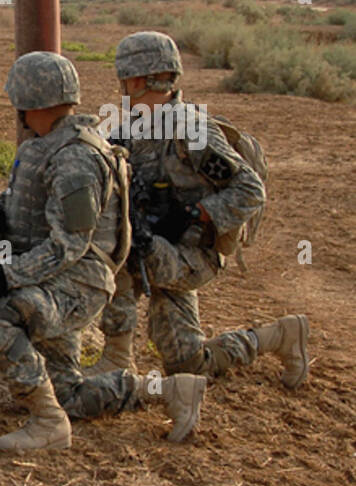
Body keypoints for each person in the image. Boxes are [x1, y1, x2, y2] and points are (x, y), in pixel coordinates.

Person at [0, 51, 206, 450]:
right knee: (69, 392)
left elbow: (70, 243)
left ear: (33, 102)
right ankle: (168, 390)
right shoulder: (50, 146)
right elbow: (42, 209)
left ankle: (48, 424)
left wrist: (8, 276)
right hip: (59, 277)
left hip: (77, 282)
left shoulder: (76, 157)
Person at [87, 31, 308, 387]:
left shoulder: (194, 132)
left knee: (121, 244)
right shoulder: (130, 129)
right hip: (160, 246)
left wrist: (196, 214)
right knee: (189, 364)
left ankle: (116, 359)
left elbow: (250, 190)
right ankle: (277, 337)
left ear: (140, 79)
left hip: (190, 253)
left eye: (126, 79)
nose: (123, 88)